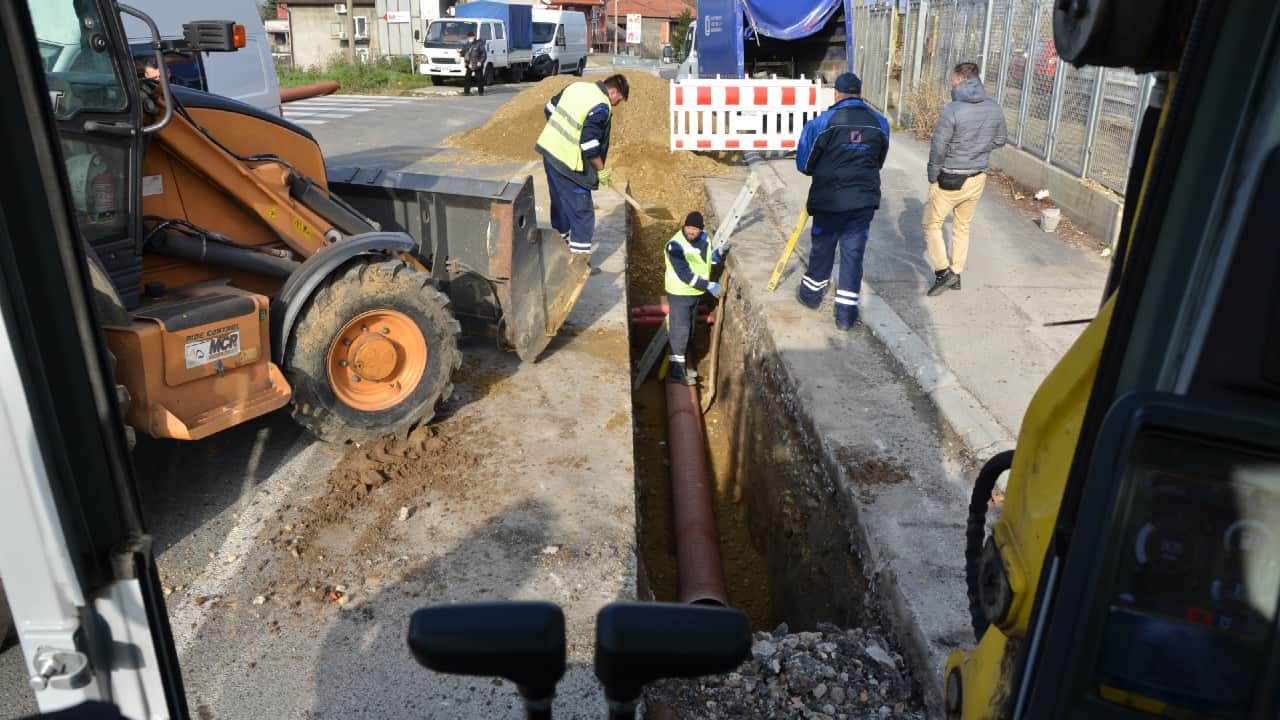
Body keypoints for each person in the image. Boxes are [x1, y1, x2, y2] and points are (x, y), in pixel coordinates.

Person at [794, 72, 889, 330]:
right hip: (862, 203)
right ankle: (845, 316)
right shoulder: (880, 122)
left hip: (828, 201)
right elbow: (879, 161)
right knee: (853, 255)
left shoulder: (821, 123)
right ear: (859, 93)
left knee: (823, 249)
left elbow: (804, 163)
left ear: (836, 94)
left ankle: (811, 296)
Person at [924, 62, 1008, 296]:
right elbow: (1000, 140)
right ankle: (957, 272)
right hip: (978, 177)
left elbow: (938, 147)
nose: (950, 83)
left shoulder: (952, 109)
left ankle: (944, 273)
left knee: (931, 224)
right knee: (962, 226)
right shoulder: (994, 107)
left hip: (950, 178)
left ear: (961, 80)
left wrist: (933, 174)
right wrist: (977, 150)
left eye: (952, 80)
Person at [535, 74, 629, 260]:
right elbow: (589, 145)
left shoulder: (576, 87)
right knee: (582, 214)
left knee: (561, 206)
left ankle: (558, 256)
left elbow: (549, 109)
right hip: (570, 165)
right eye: (619, 99)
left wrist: (561, 136)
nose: (617, 104)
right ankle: (578, 266)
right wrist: (601, 170)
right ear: (613, 92)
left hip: (550, 154)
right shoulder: (601, 107)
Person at [664, 211, 725, 385]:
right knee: (680, 332)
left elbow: (704, 262)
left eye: (695, 229)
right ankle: (677, 372)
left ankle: (682, 366)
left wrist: (717, 255)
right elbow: (684, 274)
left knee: (689, 330)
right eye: (688, 227)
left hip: (694, 294)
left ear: (701, 229)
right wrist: (708, 286)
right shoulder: (675, 245)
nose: (691, 231)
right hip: (680, 292)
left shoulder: (704, 239)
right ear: (684, 226)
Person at [462, 31, 487, 96]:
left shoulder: (479, 44)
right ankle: (466, 92)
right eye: (469, 37)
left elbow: (483, 54)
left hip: (477, 63)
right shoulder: (466, 44)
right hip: (469, 63)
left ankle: (481, 92)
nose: (470, 38)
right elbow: (465, 53)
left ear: (474, 37)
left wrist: (480, 62)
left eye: (471, 36)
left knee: (479, 79)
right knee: (467, 78)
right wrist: (460, 52)